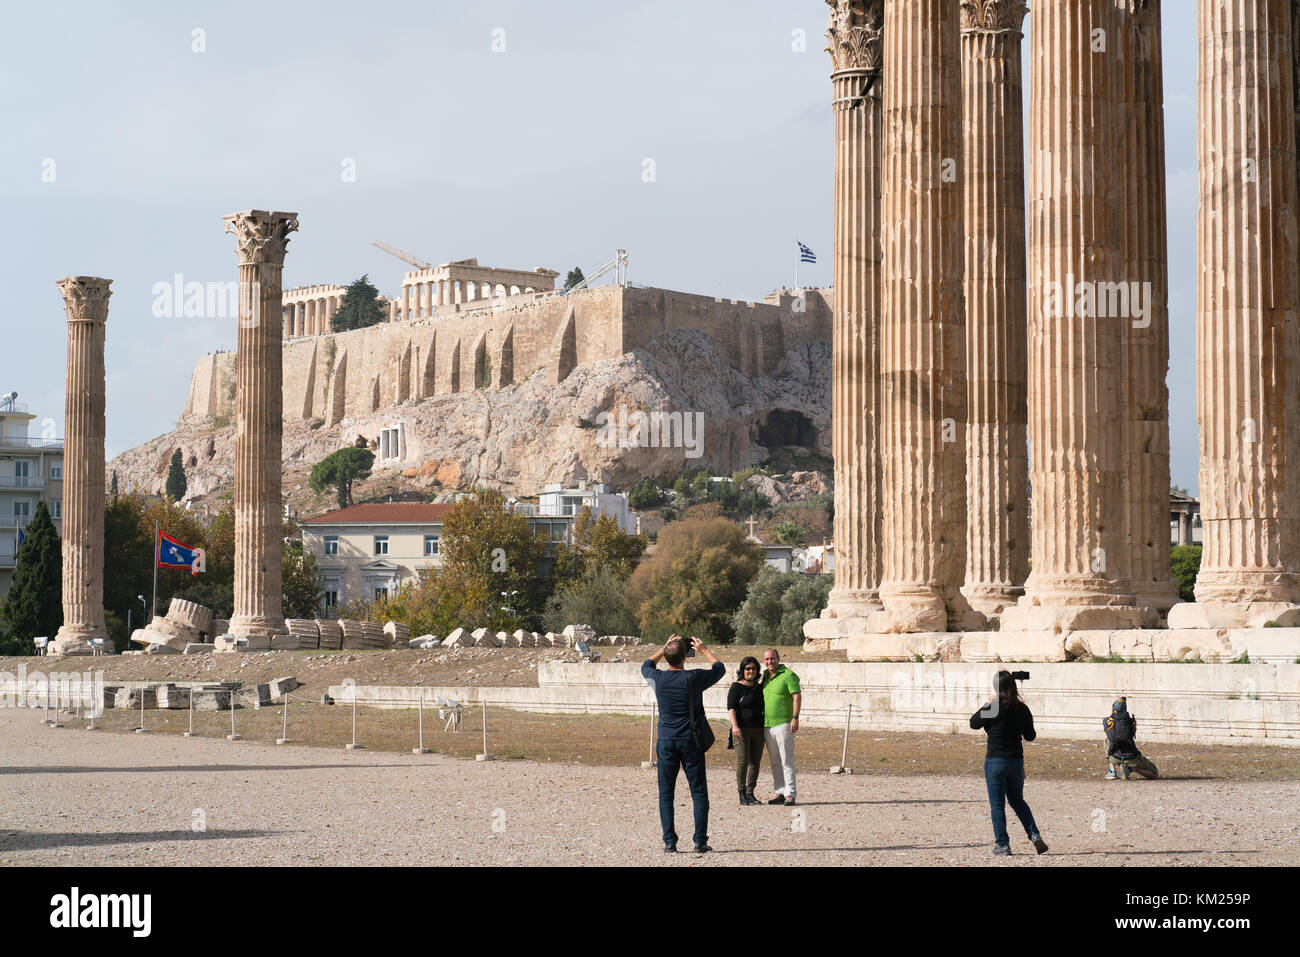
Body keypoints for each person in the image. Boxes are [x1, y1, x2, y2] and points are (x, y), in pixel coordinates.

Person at [641, 635, 725, 853]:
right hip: (690, 740)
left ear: (668, 657)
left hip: (666, 740)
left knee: (666, 793)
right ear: (686, 657)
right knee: (698, 793)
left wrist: (664, 647)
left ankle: (669, 842)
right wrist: (705, 649)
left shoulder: (657, 678)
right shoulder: (693, 677)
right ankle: (700, 841)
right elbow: (719, 668)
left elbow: (646, 665)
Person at [970, 670, 1048, 856]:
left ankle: (1003, 844)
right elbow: (1030, 736)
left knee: (997, 805)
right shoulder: (1022, 708)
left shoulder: (994, 707)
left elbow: (974, 723)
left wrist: (988, 703)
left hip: (995, 760)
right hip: (1015, 761)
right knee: (1018, 801)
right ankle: (1034, 834)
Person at [760, 647, 801, 806]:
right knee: (775, 761)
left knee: (786, 760)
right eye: (766, 659)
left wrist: (795, 718)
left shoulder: (788, 675)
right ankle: (780, 791)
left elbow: (796, 696)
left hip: (784, 724)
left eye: (772, 658)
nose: (769, 661)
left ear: (778, 659)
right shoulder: (765, 676)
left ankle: (790, 793)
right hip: (767, 725)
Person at [727, 656, 766, 806]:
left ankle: (750, 793)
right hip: (741, 729)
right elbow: (731, 707)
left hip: (758, 729)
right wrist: (735, 726)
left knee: (755, 762)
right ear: (742, 670)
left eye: (753, 668)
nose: (751, 671)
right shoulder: (736, 687)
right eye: (747, 668)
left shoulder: (760, 687)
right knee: (742, 761)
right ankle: (741, 793)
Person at [1104, 697, 1159, 780]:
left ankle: (1112, 771)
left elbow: (1112, 734)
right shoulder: (1131, 722)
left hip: (1114, 757)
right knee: (1154, 774)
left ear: (1113, 709)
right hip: (1132, 757)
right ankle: (1133, 768)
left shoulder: (1106, 721)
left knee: (1107, 740)